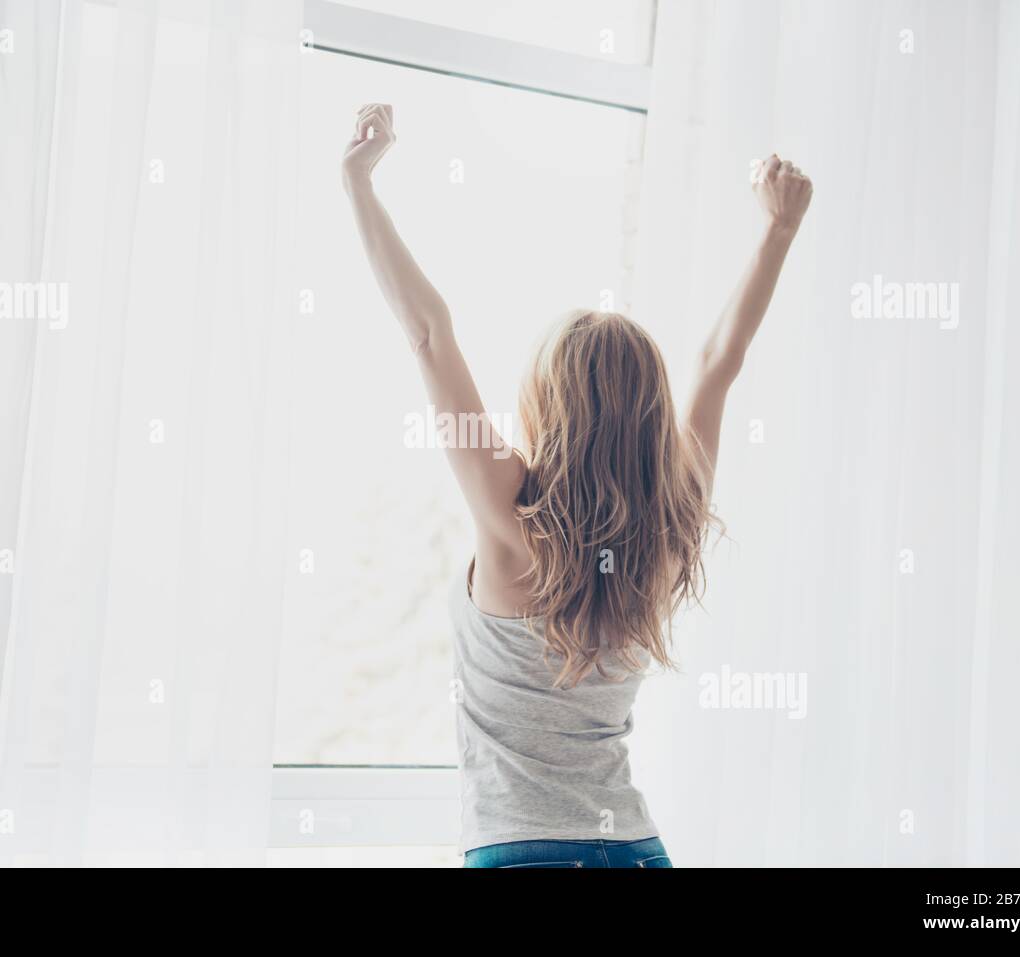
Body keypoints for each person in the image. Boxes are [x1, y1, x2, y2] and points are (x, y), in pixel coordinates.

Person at [342, 103, 812, 868]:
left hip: (518, 851)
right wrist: (779, 230)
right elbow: (719, 364)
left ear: (547, 404)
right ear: (649, 418)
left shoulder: (506, 511)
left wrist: (358, 180)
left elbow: (429, 331)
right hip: (633, 848)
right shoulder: (672, 522)